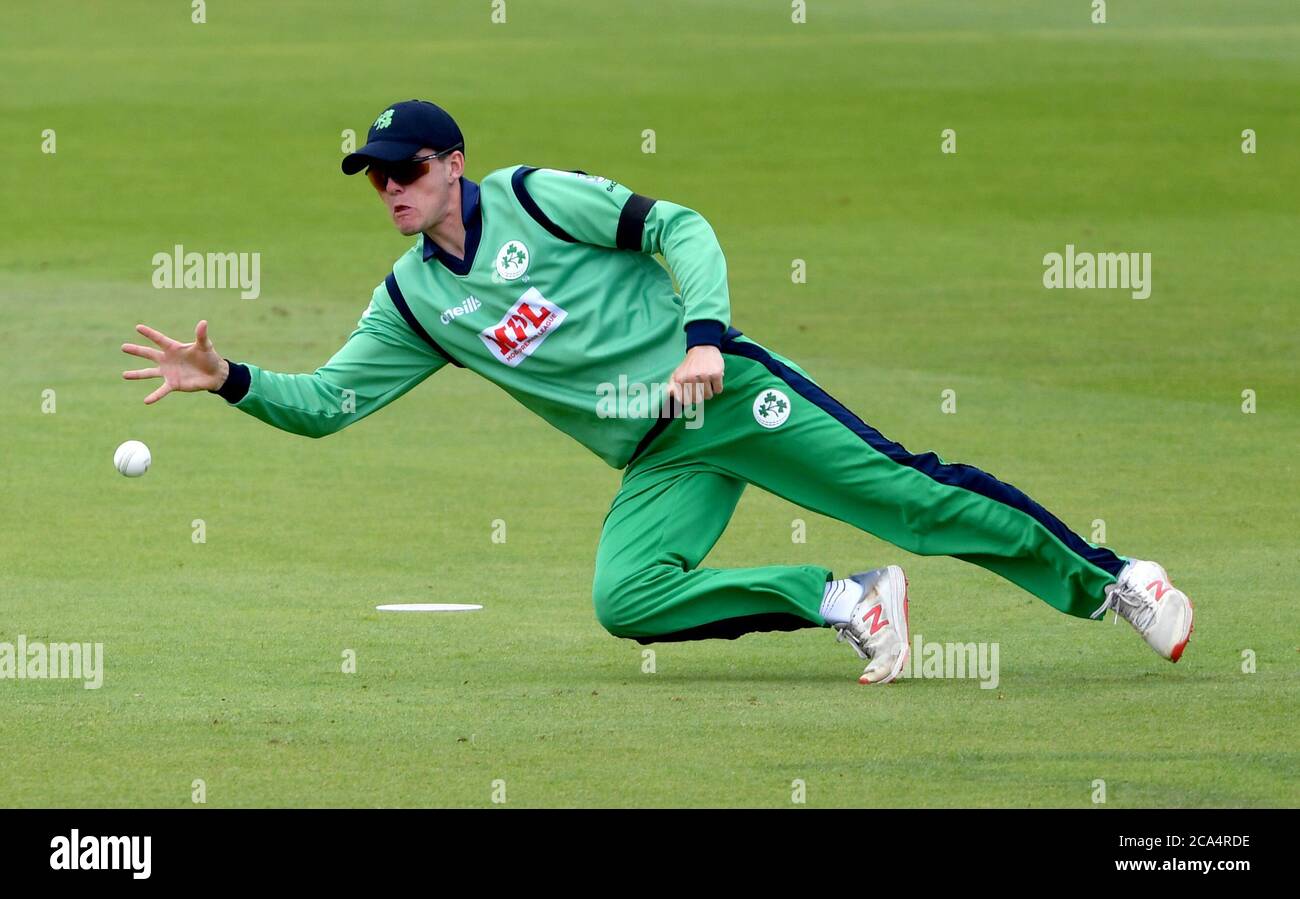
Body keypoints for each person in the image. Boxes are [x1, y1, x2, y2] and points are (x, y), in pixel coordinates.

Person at [121, 99, 1193, 684]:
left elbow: (679, 225)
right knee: (624, 598)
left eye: (407, 169)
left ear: (455, 163)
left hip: (720, 393)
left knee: (908, 494)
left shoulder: (541, 199)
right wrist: (230, 379)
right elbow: (330, 404)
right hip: (656, 452)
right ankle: (845, 598)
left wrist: (706, 338)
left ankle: (1113, 579)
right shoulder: (413, 303)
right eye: (377, 177)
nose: (391, 188)